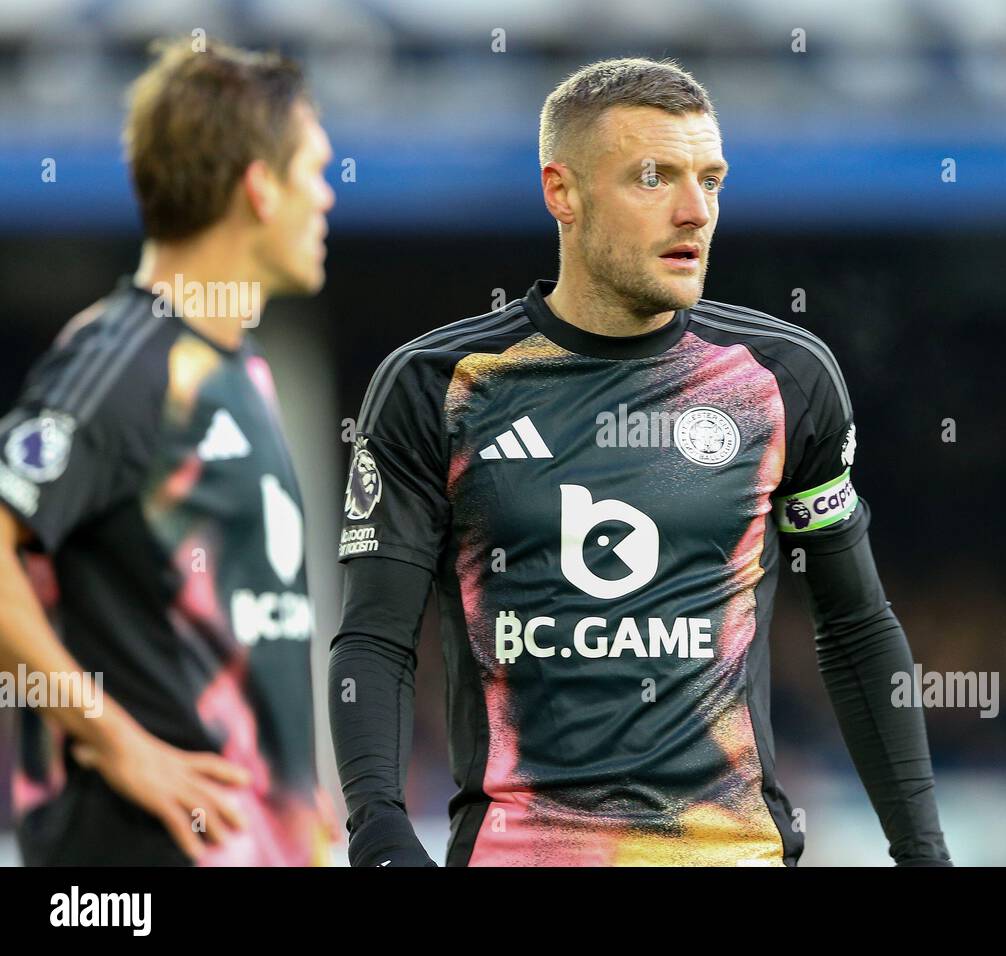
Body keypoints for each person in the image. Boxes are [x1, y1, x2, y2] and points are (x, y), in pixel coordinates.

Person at [330, 57, 949, 866]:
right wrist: (377, 829)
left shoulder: (782, 380)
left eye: (713, 180)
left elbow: (857, 627)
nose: (696, 212)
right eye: (655, 179)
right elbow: (375, 638)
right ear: (564, 192)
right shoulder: (440, 387)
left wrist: (923, 853)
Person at [0, 37, 338, 865]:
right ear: (260, 187)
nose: (328, 198)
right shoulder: (123, 361)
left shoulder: (240, 368)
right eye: (314, 173)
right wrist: (120, 744)